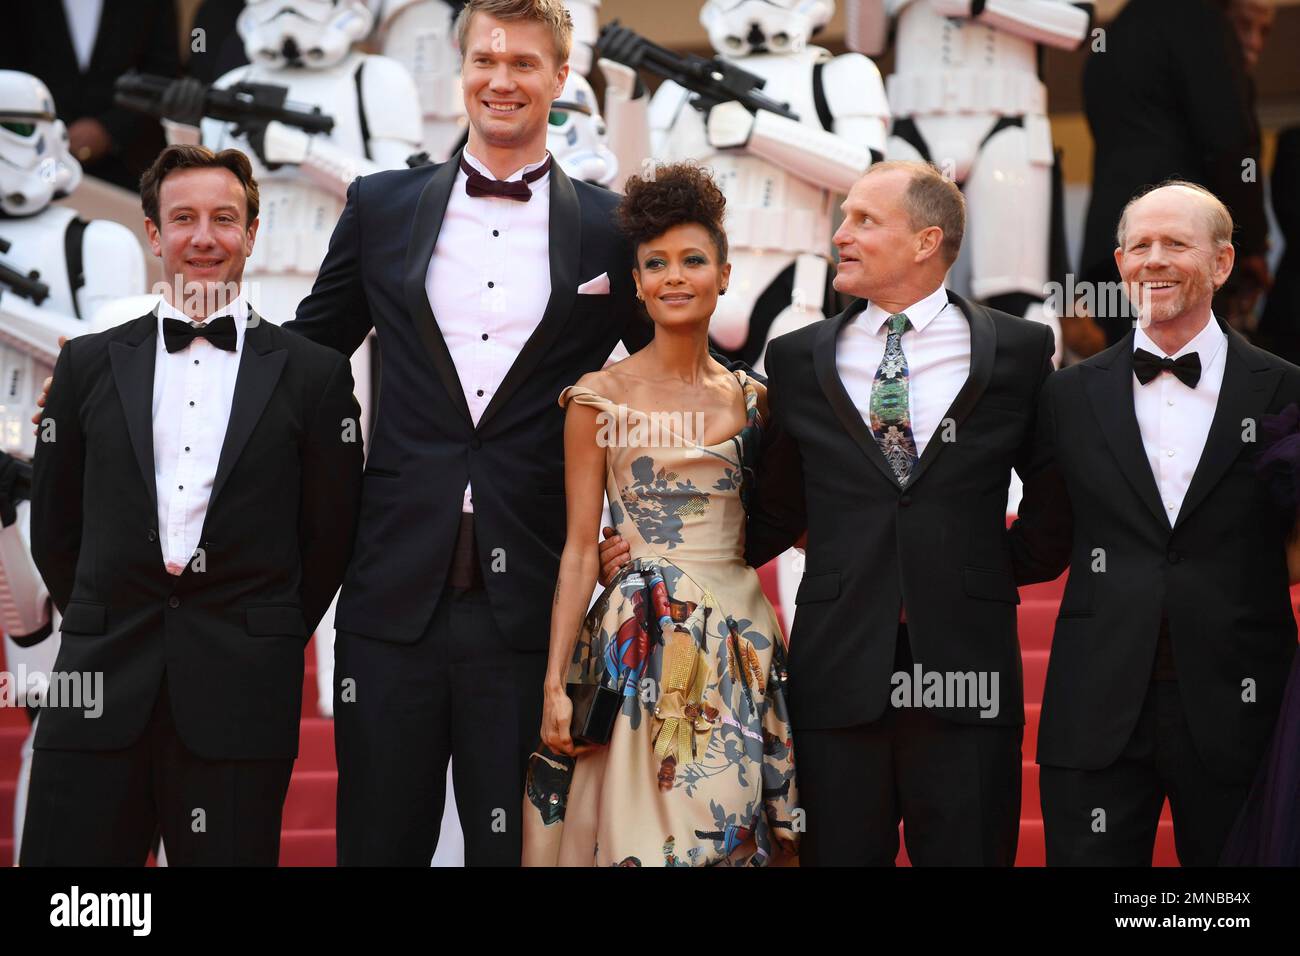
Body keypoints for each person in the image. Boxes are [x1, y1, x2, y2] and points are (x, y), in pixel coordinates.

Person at [601, 159, 1061, 866]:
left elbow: (1054, 498)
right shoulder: (797, 359)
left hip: (969, 674)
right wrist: (667, 553)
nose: (839, 233)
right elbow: (774, 510)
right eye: (842, 218)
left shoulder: (1018, 351)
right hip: (837, 677)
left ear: (925, 240)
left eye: (863, 220)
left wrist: (982, 572)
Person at [284, 0, 652, 866]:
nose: (501, 78)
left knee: (520, 849)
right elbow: (305, 356)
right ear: (462, 71)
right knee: (379, 843)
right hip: (388, 589)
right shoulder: (382, 205)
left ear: (562, 79)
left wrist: (646, 519)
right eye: (485, 59)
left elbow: (662, 377)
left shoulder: (611, 226)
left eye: (524, 62)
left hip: (535, 603)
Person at [21, 143, 363, 865]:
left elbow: (327, 538)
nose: (204, 237)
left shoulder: (316, 376)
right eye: (183, 218)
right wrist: (102, 612)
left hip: (241, 693)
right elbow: (56, 527)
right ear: (153, 233)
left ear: (252, 232)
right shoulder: (85, 364)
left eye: (223, 219)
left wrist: (259, 637)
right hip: (100, 681)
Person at [1011, 181, 1300, 866]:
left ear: (1223, 262)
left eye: (1176, 242)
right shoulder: (1066, 395)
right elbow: (1043, 540)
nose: (1155, 259)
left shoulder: (1286, 389)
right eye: (1140, 245)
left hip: (1242, 708)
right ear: (1119, 262)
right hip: (1095, 708)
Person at [523, 163, 798, 867]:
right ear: (639, 284)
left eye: (693, 260)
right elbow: (581, 549)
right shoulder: (597, 397)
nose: (675, 277)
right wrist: (556, 682)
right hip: (631, 653)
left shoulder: (756, 401)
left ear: (725, 274)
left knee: (725, 835)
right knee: (638, 839)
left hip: (741, 647)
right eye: (656, 264)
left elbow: (791, 523)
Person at [1080, 0, 1267, 344]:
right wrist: (1252, 240)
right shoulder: (1198, 20)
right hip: (1184, 243)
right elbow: (1230, 141)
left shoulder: (1108, 37)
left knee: (1124, 379)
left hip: (1113, 246)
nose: (1256, 43)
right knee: (1199, 375)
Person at [0, 1, 179, 190]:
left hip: (127, 167)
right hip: (31, 165)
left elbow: (164, 73)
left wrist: (110, 129)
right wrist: (55, 132)